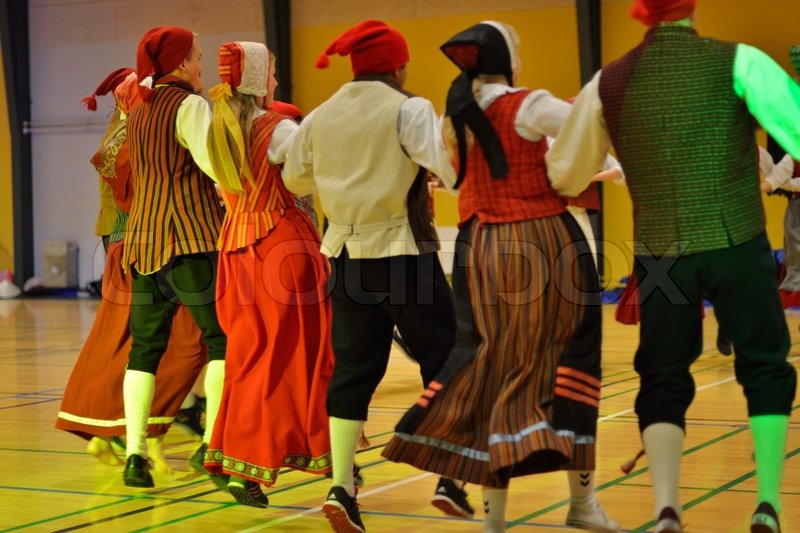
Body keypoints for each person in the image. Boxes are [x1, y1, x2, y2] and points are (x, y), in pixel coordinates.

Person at [545, 1, 800, 531]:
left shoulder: (605, 83)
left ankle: (666, 508)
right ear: (691, 8)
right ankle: (768, 503)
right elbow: (796, 130)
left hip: (659, 257)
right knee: (765, 364)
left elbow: (566, 173)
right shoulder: (740, 60)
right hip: (736, 243)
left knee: (661, 375)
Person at [381, 21, 620, 533]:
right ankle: (582, 504)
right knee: (572, 363)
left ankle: (494, 520)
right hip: (541, 242)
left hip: (478, 248)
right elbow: (588, 128)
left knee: (494, 369)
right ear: (505, 58)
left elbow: (452, 181)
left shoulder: (454, 116)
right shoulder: (529, 104)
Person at [283, 19, 461, 533]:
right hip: (403, 255)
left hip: (344, 257)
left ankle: (341, 486)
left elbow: (294, 178)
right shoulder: (409, 108)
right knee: (447, 360)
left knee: (353, 373)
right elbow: (449, 170)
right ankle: (448, 476)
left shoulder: (321, 114)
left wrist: (343, 179)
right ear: (398, 65)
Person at [201, 41, 335, 509]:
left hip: (235, 248)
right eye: (272, 74)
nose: (276, 82)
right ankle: (316, 449)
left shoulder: (218, 128)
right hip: (281, 244)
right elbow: (306, 179)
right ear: (259, 80)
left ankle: (241, 458)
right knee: (299, 354)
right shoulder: (276, 128)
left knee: (249, 357)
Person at [56, 69, 207, 471]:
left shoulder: (119, 134)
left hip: (128, 246)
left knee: (139, 345)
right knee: (177, 343)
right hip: (145, 248)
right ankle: (146, 428)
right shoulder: (138, 136)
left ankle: (145, 427)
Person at [120, 26, 227, 489]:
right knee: (222, 341)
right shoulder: (190, 105)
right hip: (191, 238)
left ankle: (134, 456)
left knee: (145, 350)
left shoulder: (138, 107)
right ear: (182, 62)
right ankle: (212, 446)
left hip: (143, 242)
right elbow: (214, 165)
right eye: (198, 57)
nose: (202, 66)